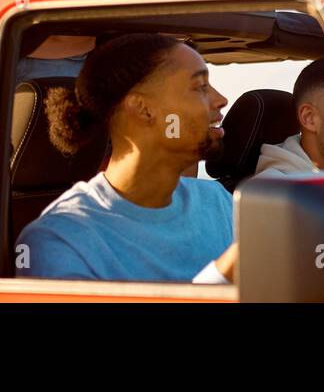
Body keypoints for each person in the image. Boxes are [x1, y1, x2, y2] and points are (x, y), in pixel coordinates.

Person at [14, 32, 238, 283]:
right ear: (143, 109)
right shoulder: (61, 238)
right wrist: (224, 274)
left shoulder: (217, 201)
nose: (221, 100)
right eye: (200, 87)